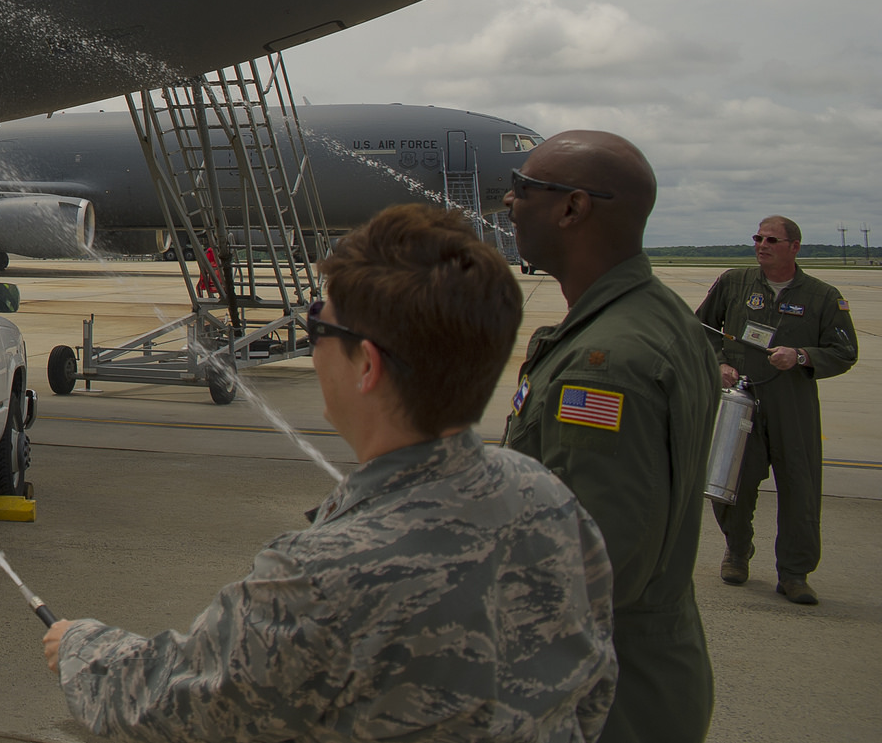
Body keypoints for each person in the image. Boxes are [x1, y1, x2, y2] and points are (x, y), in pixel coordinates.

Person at [45, 203, 617, 742]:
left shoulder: (319, 577)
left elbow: (174, 706)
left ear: (367, 364)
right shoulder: (549, 500)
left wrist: (81, 645)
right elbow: (593, 691)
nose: (313, 342)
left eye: (320, 323)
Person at [501, 131, 718, 743]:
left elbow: (595, 562)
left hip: (604, 695)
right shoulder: (655, 317)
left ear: (573, 208)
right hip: (637, 670)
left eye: (523, 189)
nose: (510, 205)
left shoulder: (607, 363)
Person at [694, 216, 858, 604]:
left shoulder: (822, 296)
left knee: (800, 487)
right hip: (741, 400)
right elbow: (700, 328)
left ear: (794, 247)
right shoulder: (734, 283)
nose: (761, 244)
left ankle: (795, 573)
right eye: (758, 238)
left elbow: (844, 351)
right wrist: (718, 362)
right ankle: (737, 550)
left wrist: (801, 355)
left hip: (793, 403)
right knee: (729, 482)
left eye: (771, 239)